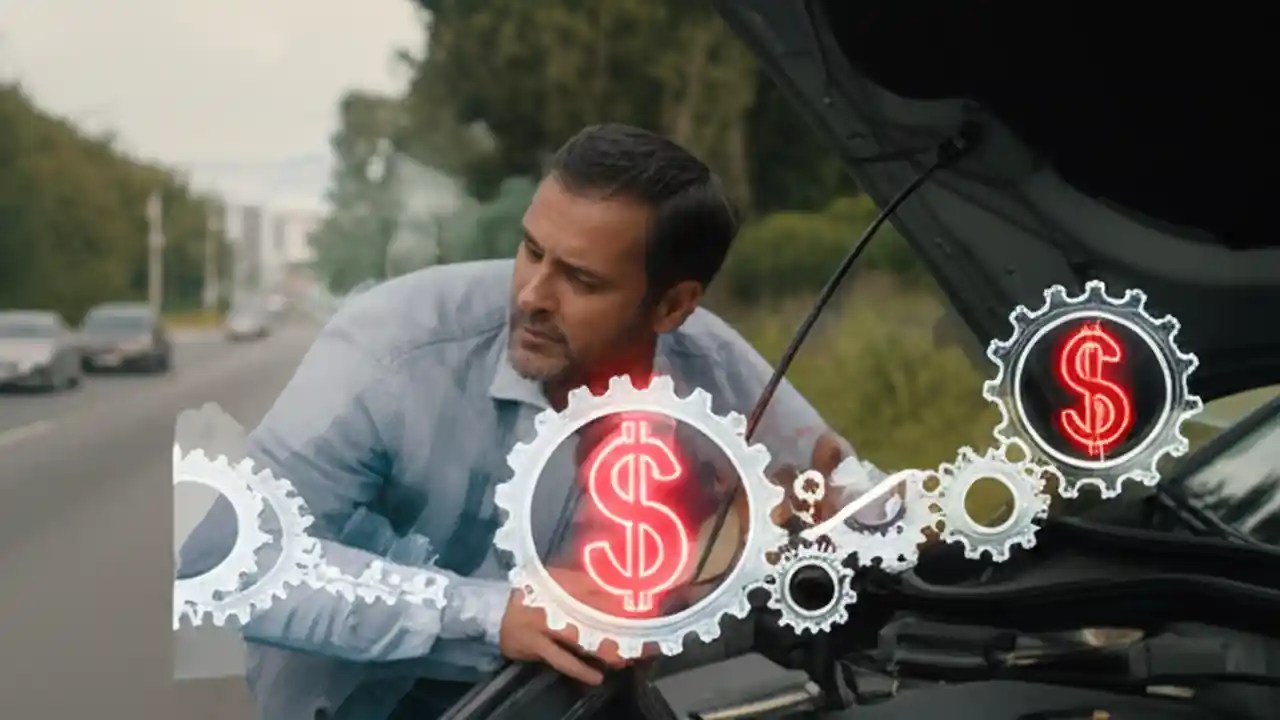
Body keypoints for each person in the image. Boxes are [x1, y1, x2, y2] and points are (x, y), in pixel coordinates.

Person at [178, 123, 893, 720]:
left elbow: (856, 497)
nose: (533, 295)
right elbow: (224, 557)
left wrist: (873, 515)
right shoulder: (390, 348)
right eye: (531, 251)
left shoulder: (711, 362)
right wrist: (488, 615)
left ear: (673, 306)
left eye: (581, 279)